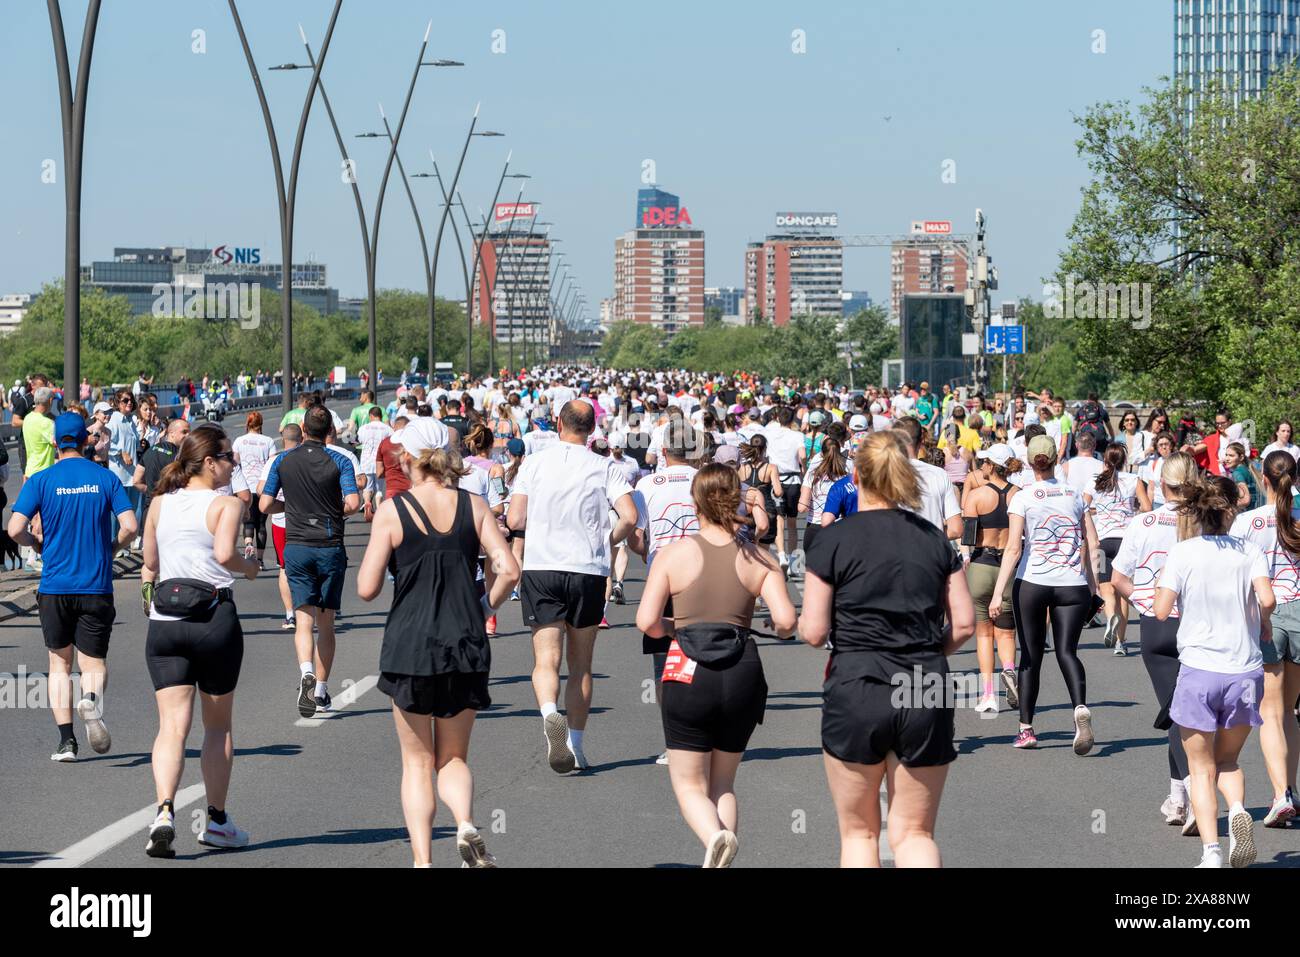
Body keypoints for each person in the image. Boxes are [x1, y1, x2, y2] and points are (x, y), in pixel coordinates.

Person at [799, 431, 975, 867]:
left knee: (859, 835)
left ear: (855, 476)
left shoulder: (832, 541)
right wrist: (929, 653)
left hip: (858, 683)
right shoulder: (934, 540)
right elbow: (966, 623)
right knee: (914, 834)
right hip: (924, 682)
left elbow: (814, 631)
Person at [356, 418, 519, 868]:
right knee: (453, 758)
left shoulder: (395, 510)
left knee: (416, 762)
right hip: (465, 641)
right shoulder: (474, 505)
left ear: (406, 457)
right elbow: (509, 568)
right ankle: (466, 823)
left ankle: (423, 862)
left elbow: (367, 589)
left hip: (410, 645)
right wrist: (486, 605)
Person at [636, 464, 797, 867]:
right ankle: (721, 848)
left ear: (695, 504)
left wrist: (677, 628)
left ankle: (716, 836)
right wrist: (761, 623)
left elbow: (647, 621)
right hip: (742, 668)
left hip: (689, 667)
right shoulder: (759, 556)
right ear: (737, 500)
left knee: (689, 782)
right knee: (723, 782)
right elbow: (786, 622)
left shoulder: (675, 553)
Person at [140, 426, 259, 857]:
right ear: (209, 462)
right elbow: (226, 554)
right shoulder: (227, 504)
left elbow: (150, 562)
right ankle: (217, 821)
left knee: (171, 726)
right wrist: (251, 569)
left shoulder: (158, 504)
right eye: (229, 457)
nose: (234, 464)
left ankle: (165, 811)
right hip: (213, 619)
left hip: (165, 620)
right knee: (216, 726)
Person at [507, 400, 637, 772]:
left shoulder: (534, 462)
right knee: (581, 663)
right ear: (592, 428)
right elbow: (630, 516)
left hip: (543, 566)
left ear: (559, 423)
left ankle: (550, 713)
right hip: (588, 570)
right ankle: (576, 746)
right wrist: (607, 540)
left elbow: (516, 516)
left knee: (545, 658)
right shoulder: (604, 466)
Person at [1154, 480, 1274, 868]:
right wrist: (1262, 623)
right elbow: (1267, 598)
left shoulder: (1183, 553)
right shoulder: (1250, 550)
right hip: (1244, 670)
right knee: (1229, 761)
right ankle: (1238, 807)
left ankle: (1212, 853)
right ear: (1229, 513)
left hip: (1200, 669)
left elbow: (1160, 610)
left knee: (1200, 768)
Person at [7, 412, 138, 762]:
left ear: (55, 443)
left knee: (59, 665)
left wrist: (37, 545)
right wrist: (113, 548)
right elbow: (130, 525)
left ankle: (66, 742)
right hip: (95, 584)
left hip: (54, 586)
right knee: (92, 664)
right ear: (86, 441)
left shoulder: (40, 480)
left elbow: (14, 528)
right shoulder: (104, 477)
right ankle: (91, 702)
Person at [989, 434, 1102, 752]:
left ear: (1029, 462)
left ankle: (1026, 729)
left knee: (1031, 657)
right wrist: (1092, 586)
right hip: (1072, 584)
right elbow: (1090, 544)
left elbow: (1013, 549)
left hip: (1033, 582)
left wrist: (999, 593)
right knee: (1068, 652)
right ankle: (1079, 707)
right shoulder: (1076, 495)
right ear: (1056, 459)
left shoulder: (1023, 497)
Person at [1111, 451, 1198, 829]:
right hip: (1197, 624)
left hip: (1157, 626)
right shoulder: (1202, 520)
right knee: (1182, 714)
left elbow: (1117, 578)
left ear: (1162, 484)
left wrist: (1146, 603)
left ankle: (1192, 797)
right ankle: (1179, 796)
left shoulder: (1143, 521)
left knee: (1176, 713)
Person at [259, 406, 361, 717]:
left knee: (302, 620)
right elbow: (353, 503)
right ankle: (320, 690)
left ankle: (306, 671)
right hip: (329, 546)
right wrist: (332, 512)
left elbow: (264, 504)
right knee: (326, 624)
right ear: (330, 430)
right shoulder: (340, 460)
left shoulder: (283, 460)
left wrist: (290, 509)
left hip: (297, 545)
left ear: (303, 429)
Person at [1228, 451, 1300, 828]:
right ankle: (1289, 787)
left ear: (1264, 480)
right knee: (1289, 712)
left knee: (1270, 712)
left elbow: (1239, 576)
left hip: (1267, 614)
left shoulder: (1246, 522)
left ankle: (1280, 795)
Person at [961, 444, 1022, 713]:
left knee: (984, 634)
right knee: (1007, 631)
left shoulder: (976, 496)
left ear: (989, 465)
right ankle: (1009, 670)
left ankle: (988, 694)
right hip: (1009, 566)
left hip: (982, 565)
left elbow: (969, 539)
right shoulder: (1019, 495)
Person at [1084, 442, 1150, 655]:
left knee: (1106, 588)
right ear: (1124, 461)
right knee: (1122, 590)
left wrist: (1096, 516)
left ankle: (1111, 618)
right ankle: (1120, 643)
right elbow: (1147, 509)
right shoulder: (1134, 480)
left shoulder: (1094, 482)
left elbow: (1082, 507)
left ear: (1105, 461)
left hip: (1104, 542)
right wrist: (1133, 515)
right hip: (1126, 543)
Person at [258, 423, 302, 629]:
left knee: (285, 567)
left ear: (283, 440)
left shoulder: (274, 461)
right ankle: (309, 608)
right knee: (307, 565)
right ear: (302, 439)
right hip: (306, 520)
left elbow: (261, 490)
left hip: (280, 520)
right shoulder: (307, 459)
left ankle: (290, 614)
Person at [232, 412, 277, 568]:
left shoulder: (239, 441)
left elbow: (234, 463)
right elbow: (272, 464)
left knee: (248, 521)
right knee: (262, 524)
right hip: (263, 488)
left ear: (248, 423)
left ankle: (248, 544)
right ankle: (259, 560)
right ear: (261, 423)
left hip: (245, 487)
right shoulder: (268, 441)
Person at [798, 436, 848, 557]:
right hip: (839, 526)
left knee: (813, 570)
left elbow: (802, 508)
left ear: (822, 452)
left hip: (815, 526)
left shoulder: (812, 474)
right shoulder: (846, 474)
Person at [358, 405, 393, 521]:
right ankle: (379, 509)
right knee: (379, 487)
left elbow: (357, 440)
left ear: (371, 416)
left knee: (367, 487)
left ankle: (367, 503)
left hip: (366, 461)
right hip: (381, 461)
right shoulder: (387, 428)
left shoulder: (364, 428)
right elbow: (393, 441)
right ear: (381, 416)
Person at [1224, 442, 1262, 510]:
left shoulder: (1237, 473)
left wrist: (1225, 506)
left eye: (1231, 455)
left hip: (1248, 513)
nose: (1227, 458)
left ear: (1241, 457)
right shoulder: (1247, 469)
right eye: (1226, 455)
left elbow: (1245, 500)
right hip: (1256, 510)